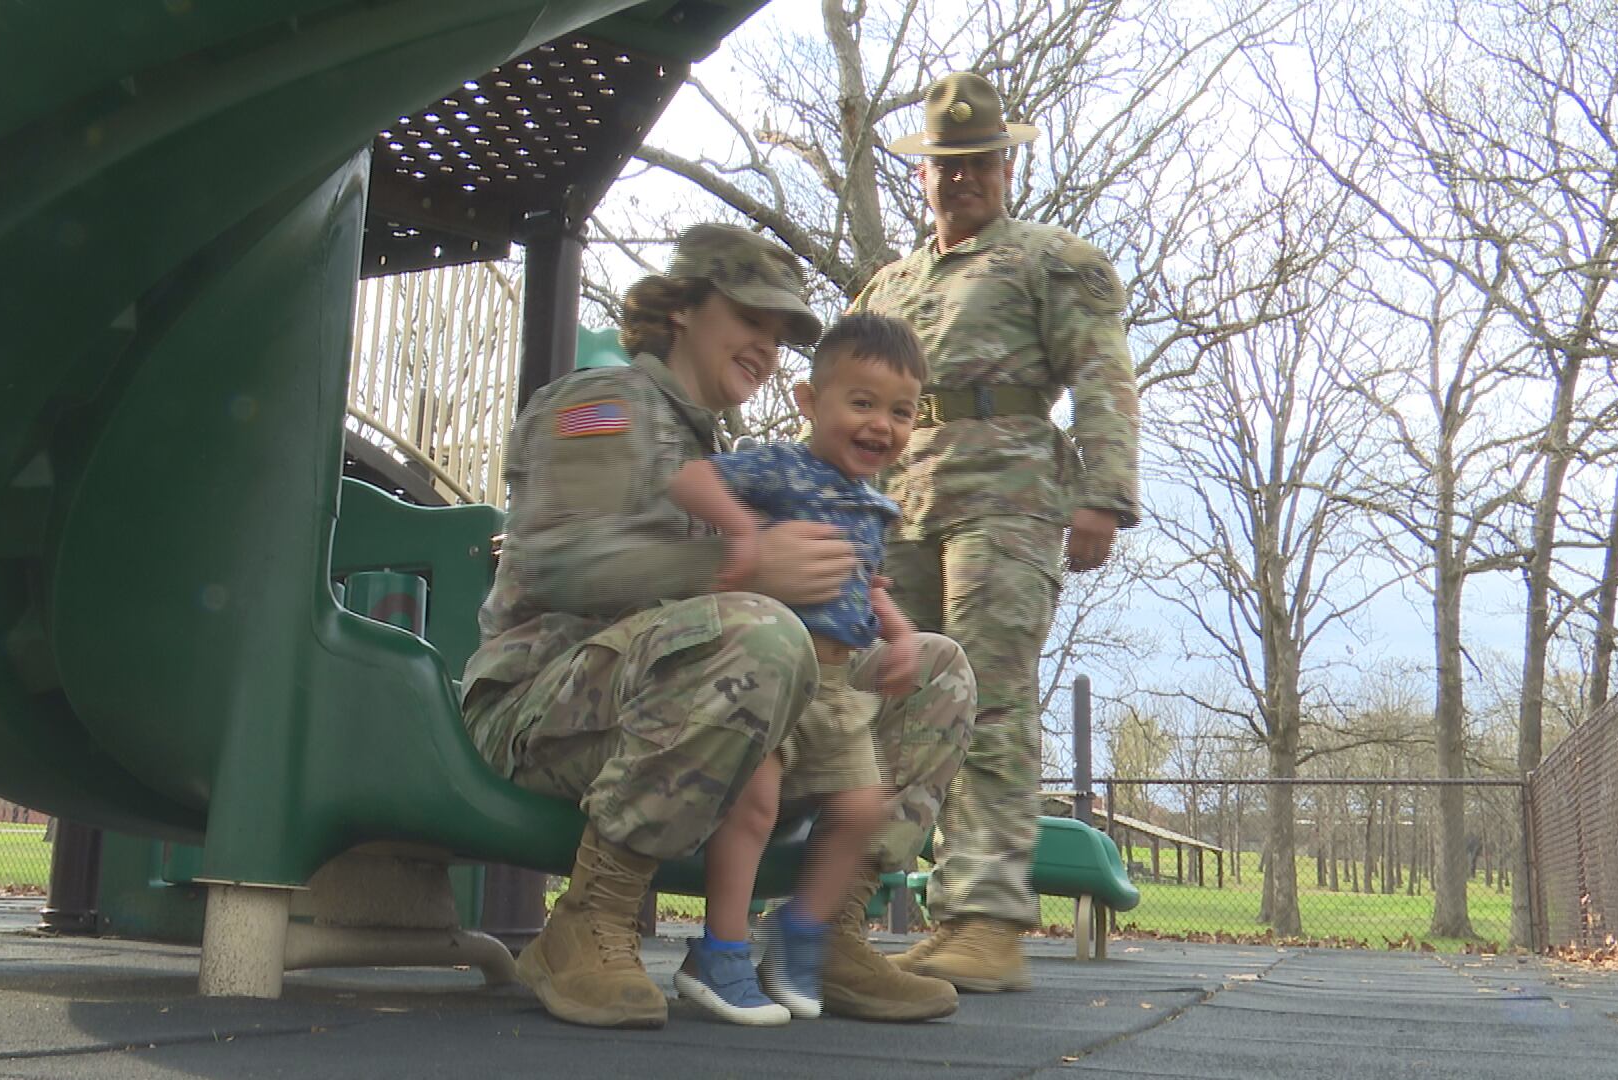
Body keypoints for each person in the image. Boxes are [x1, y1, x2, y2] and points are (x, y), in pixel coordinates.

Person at [461, 222, 975, 1030]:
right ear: (682, 312)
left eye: (779, 333)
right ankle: (589, 917)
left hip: (694, 698)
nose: (767, 345)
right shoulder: (600, 405)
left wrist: (871, 620)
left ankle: (825, 926)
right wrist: (746, 568)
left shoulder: (745, 458)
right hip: (548, 706)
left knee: (938, 667)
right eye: (749, 319)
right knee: (759, 630)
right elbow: (561, 561)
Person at [851, 73, 1142, 992]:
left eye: (980, 162)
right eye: (948, 164)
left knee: (991, 701)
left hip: (1007, 501)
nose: (963, 177)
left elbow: (1103, 377)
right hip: (899, 506)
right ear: (924, 176)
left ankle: (986, 918)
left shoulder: (1050, 262)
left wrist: (1103, 496)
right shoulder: (889, 285)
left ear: (1007, 167)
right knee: (885, 697)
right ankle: (861, 904)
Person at [665, 314, 925, 1020]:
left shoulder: (876, 507)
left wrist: (899, 633)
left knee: (864, 808)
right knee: (755, 804)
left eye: (900, 412)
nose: (881, 425)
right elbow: (691, 477)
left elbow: (866, 588)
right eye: (861, 403)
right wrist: (747, 531)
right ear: (810, 402)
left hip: (836, 687)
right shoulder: (781, 466)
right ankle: (718, 950)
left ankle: (799, 929)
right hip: (770, 672)